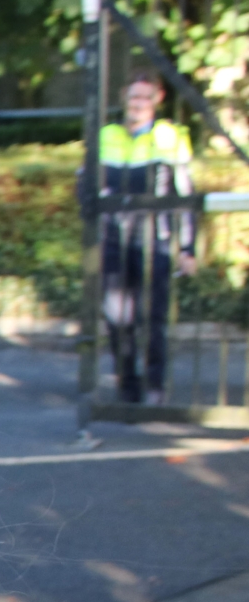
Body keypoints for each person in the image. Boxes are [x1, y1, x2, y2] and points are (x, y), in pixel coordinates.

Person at [80, 72, 197, 404]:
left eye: (146, 97)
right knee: (117, 317)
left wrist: (187, 247)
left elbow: (185, 195)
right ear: (124, 97)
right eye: (134, 97)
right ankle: (127, 384)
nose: (139, 104)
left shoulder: (170, 136)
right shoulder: (106, 135)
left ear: (158, 99)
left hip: (154, 239)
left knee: (153, 318)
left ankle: (155, 385)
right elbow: (85, 186)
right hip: (112, 239)